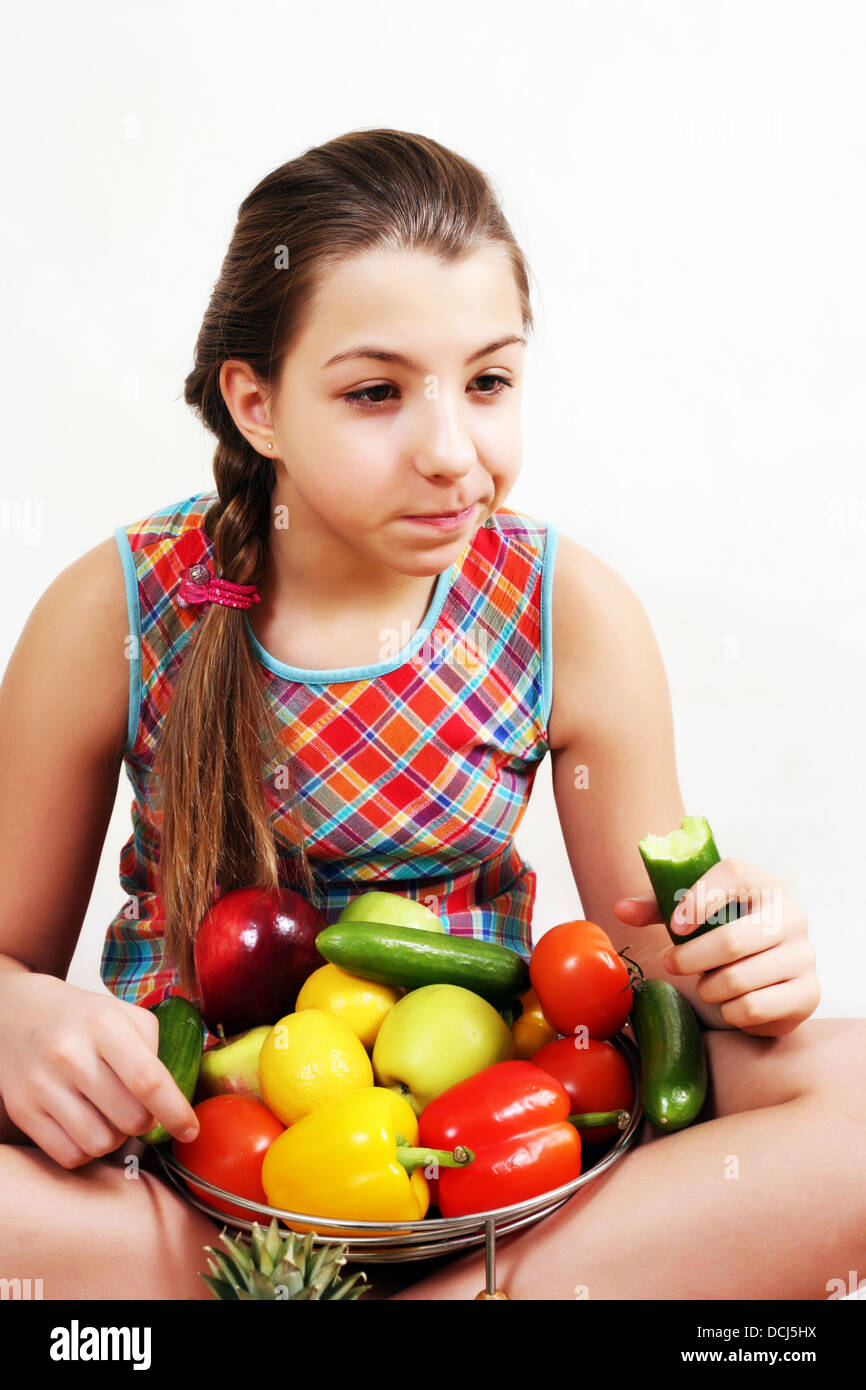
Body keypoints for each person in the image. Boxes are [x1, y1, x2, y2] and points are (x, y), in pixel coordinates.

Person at [0, 128, 861, 1303]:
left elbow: (648, 976)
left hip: (495, 1159)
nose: (453, 452)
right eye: (374, 393)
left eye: (489, 381)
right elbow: (5, 960)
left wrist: (739, 956)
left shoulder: (565, 609)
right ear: (254, 403)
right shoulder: (117, 607)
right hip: (188, 1173)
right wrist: (10, 1014)